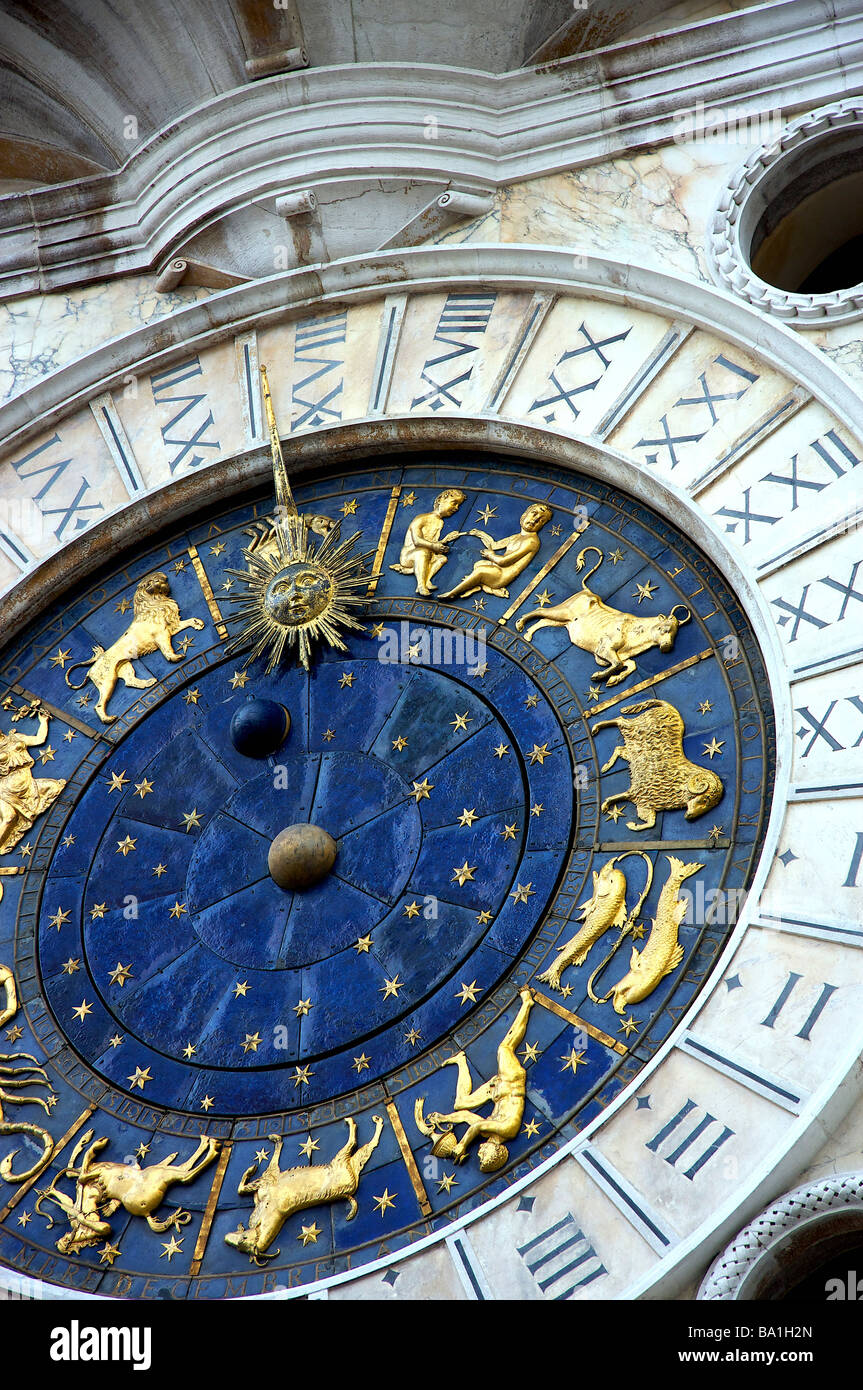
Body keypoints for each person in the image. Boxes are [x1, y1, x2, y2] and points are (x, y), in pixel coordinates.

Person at [427, 988, 534, 1173]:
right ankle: (527, 1003)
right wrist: (462, 1145)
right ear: (496, 1151)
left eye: (479, 1156)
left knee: (461, 1104)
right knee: (504, 1048)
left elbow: (466, 1117)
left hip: (497, 1091)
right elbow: (477, 1125)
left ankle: (461, 1060)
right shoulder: (508, 1130)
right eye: (484, 1156)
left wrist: (444, 1118)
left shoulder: (487, 1132)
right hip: (512, 1082)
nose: (479, 1153)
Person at [440, 501, 552, 600]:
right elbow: (494, 545)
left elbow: (504, 561)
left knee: (481, 571)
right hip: (496, 569)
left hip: (502, 576)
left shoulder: (532, 541)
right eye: (534, 514)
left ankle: (452, 593)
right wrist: (481, 534)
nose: (535, 520)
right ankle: (481, 586)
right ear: (524, 515)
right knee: (480, 563)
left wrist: (491, 555)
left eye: (541, 520)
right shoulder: (517, 536)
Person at [0, 709, 66, 856]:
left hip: (27, 784)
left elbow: (39, 739)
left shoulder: (15, 738)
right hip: (5, 791)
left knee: (54, 787)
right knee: (9, 817)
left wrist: (43, 722)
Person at [389, 488, 466, 595]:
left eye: (458, 505)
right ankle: (420, 585)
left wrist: (445, 541)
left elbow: (431, 542)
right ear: (440, 500)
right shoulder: (422, 518)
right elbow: (417, 541)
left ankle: (426, 580)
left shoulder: (440, 522)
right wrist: (435, 547)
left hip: (427, 553)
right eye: (454, 503)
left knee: (442, 558)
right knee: (422, 552)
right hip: (409, 556)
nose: (456, 508)